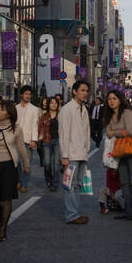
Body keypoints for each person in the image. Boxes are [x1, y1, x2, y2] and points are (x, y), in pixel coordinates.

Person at [0, 99, 30, 241]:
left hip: (9, 166)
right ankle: (3, 219)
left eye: (1, 109)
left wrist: (26, 164)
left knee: (7, 198)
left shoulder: (17, 129)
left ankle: (3, 228)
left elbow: (21, 148)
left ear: (9, 113)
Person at [103, 90, 132, 220]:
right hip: (119, 151)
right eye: (109, 99)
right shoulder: (110, 115)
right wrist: (115, 132)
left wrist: (114, 132)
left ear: (120, 100)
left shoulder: (127, 113)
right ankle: (128, 210)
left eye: (114, 98)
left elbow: (128, 131)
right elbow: (107, 131)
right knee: (125, 182)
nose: (111, 101)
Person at [59, 80, 93, 224]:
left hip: (81, 153)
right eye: (82, 90)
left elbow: (86, 132)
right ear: (74, 91)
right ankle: (72, 215)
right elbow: (63, 133)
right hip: (71, 155)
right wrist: (64, 156)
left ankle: (76, 212)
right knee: (70, 185)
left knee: (78, 184)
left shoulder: (83, 108)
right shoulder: (67, 109)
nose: (85, 93)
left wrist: (86, 150)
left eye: (86, 91)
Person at [15, 86, 41, 194]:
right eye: (26, 94)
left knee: (26, 164)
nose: (28, 96)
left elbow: (35, 125)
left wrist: (34, 140)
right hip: (15, 139)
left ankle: (24, 184)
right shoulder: (15, 108)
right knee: (16, 163)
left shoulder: (34, 109)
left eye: (29, 94)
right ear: (21, 95)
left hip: (27, 139)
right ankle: (20, 181)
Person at [38, 97, 60, 190]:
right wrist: (39, 139)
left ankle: (55, 184)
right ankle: (48, 179)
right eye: (51, 103)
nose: (53, 104)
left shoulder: (61, 115)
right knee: (47, 163)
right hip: (46, 141)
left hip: (57, 141)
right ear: (48, 105)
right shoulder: (44, 116)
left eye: (55, 103)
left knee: (56, 163)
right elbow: (40, 128)